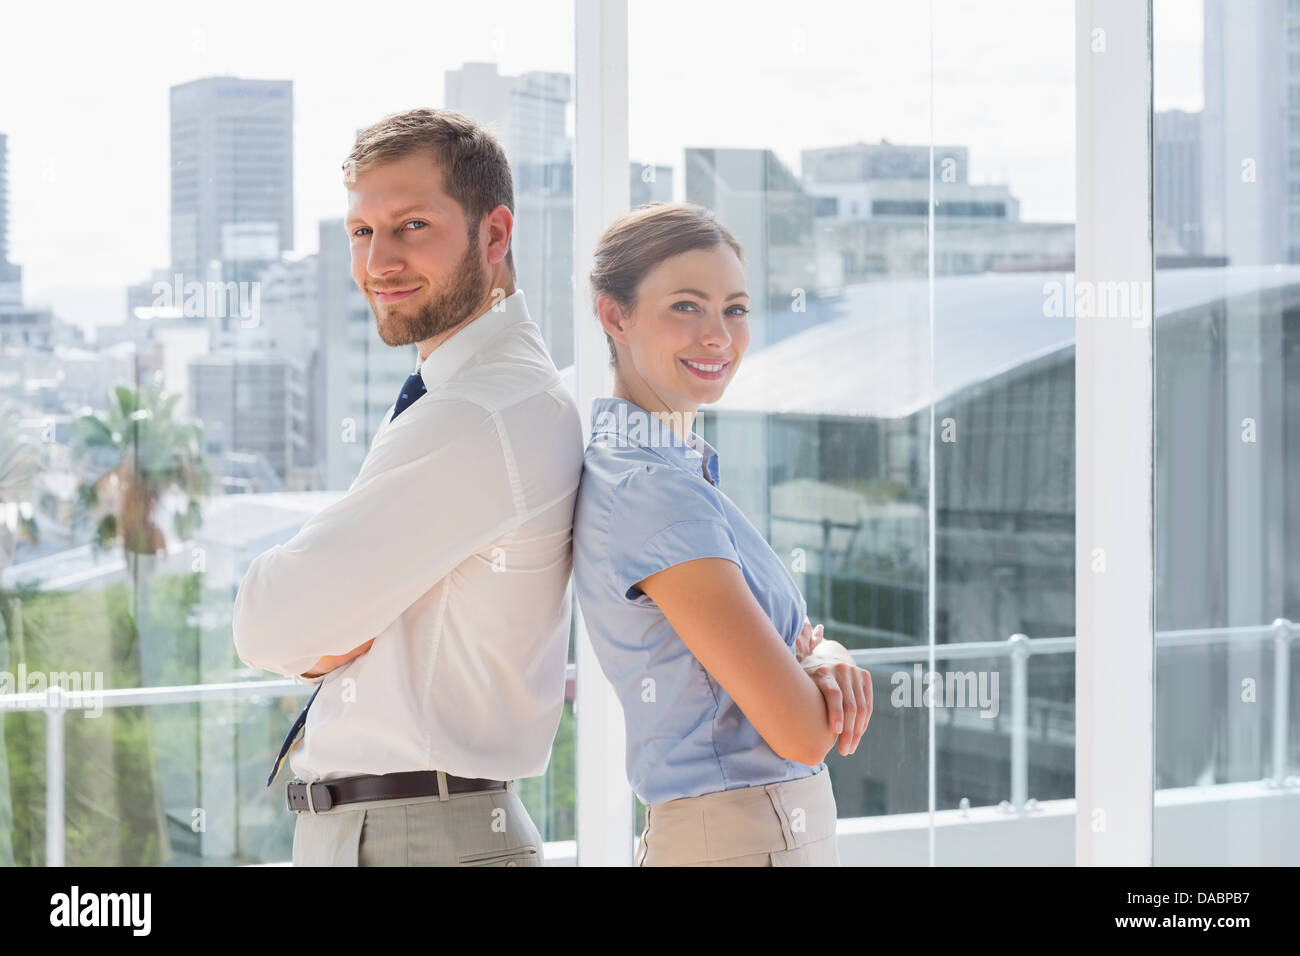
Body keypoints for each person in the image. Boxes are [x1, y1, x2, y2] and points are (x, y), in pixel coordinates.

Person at [232, 108, 582, 866]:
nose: (377, 262)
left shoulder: (475, 414)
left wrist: (329, 634)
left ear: (494, 236)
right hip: (417, 828)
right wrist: (337, 627)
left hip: (412, 837)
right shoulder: (491, 391)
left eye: (412, 225)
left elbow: (266, 624)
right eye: (362, 232)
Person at [572, 201, 874, 867]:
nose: (718, 335)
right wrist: (816, 665)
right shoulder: (652, 488)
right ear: (614, 316)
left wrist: (823, 656)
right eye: (686, 306)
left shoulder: (675, 468)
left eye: (734, 309)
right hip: (742, 839)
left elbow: (779, 665)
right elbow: (799, 730)